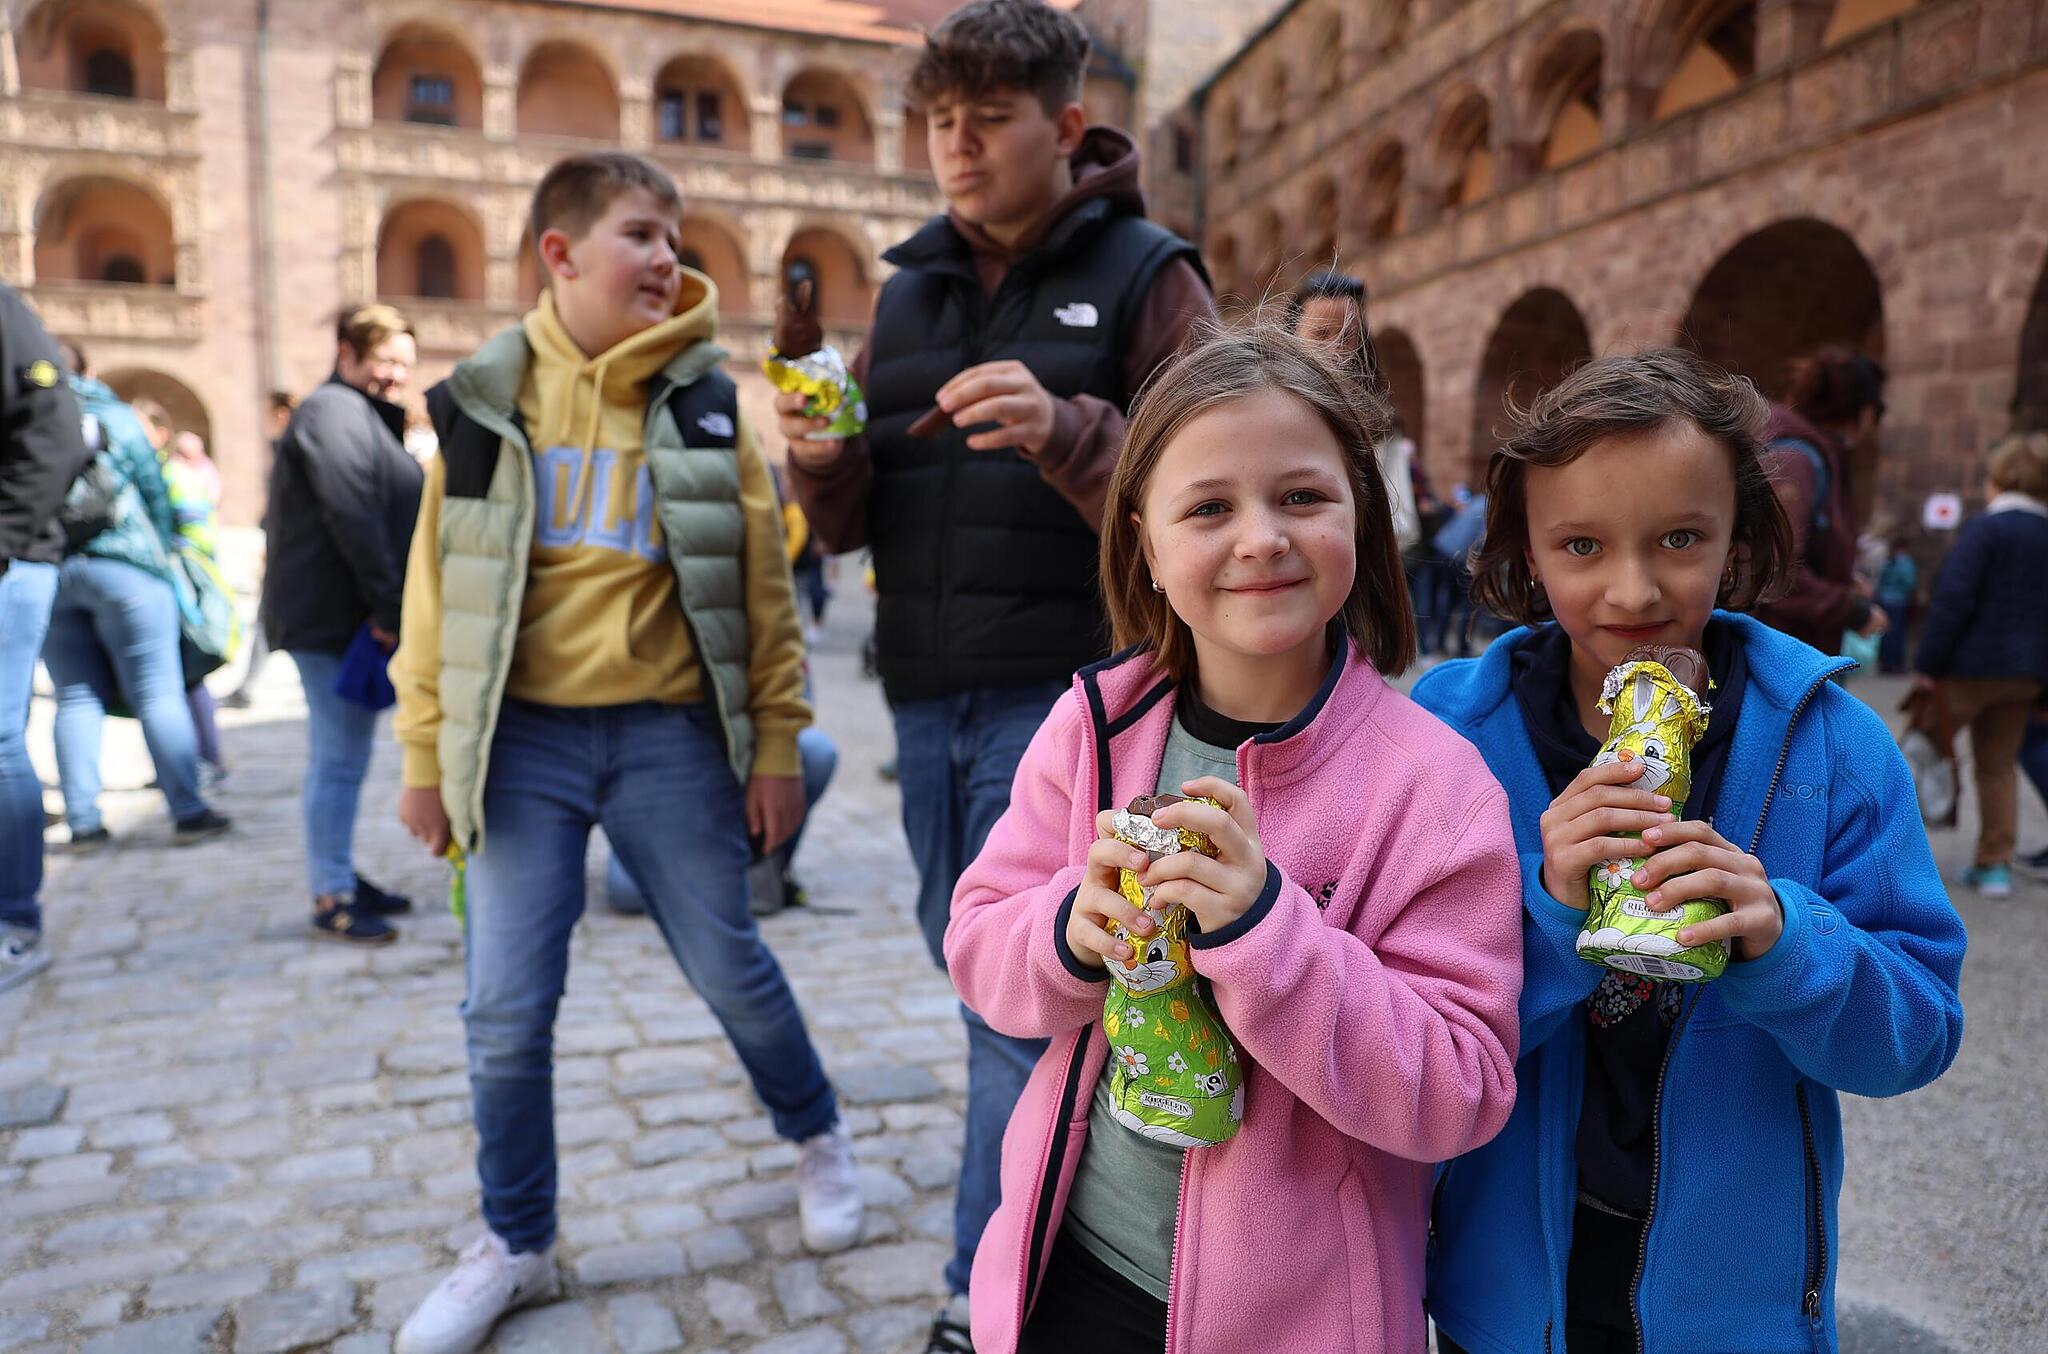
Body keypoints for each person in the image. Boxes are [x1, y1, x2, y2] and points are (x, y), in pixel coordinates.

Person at [943, 326, 1523, 1353]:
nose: (1260, 538)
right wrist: (1069, 930)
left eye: (1300, 496)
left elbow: (1460, 1089)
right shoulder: (1093, 728)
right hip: (1071, 1265)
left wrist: (1268, 937)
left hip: (1301, 1318)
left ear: (1361, 510)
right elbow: (979, 944)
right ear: (1145, 543)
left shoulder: (1432, 789)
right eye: (1209, 507)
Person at [779, 6, 1215, 1342]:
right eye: (937, 123)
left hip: (1077, 694)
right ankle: (1049, 1230)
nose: (955, 147)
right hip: (926, 687)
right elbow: (850, 519)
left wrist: (1071, 431)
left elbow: (1215, 470)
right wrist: (817, 458)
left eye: (986, 119)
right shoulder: (907, 290)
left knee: (1012, 1000)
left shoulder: (1148, 274)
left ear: (1065, 127)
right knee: (973, 957)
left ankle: (988, 1287)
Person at [389, 151, 859, 1354]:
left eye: (674, 238)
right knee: (503, 1007)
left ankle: (815, 1131)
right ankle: (515, 1240)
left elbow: (764, 592)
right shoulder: (481, 401)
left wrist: (775, 742)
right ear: (560, 252)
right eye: (641, 233)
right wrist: (425, 755)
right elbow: (435, 591)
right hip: (522, 744)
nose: (666, 257)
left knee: (729, 965)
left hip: (666, 734)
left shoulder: (704, 403)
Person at [1414, 348, 1967, 1354]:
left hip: (1735, 1310)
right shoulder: (1450, 742)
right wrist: (1546, 907)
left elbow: (1917, 1036)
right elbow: (1407, 1031)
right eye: (1581, 545)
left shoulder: (1834, 749)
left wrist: (1787, 944)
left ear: (1736, 539)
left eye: (1678, 538)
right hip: (1505, 1299)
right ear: (1525, 551)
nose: (1632, 590)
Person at [263, 305, 423, 943]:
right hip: (335, 619)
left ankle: (341, 872)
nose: (396, 375)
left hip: (346, 616)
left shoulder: (354, 413)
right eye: (385, 360)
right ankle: (331, 892)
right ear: (347, 354)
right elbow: (353, 513)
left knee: (346, 757)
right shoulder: (333, 413)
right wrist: (389, 609)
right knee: (338, 759)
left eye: (405, 364)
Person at [42, 347, 229, 849]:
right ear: (88, 371)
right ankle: (187, 811)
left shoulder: (28, 413)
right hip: (128, 566)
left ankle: (83, 822)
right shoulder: (113, 414)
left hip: (57, 570)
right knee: (157, 691)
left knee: (75, 697)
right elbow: (153, 487)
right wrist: (163, 550)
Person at [0, 284, 93, 994]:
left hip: (13, 563)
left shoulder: (5, 313)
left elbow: (54, 432)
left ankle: (15, 922)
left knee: (1, 740)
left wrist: (5, 538)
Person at [1912, 431, 2048, 898]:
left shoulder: (1987, 528)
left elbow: (1954, 599)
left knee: (1916, 751)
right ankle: (1994, 867)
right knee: (1998, 766)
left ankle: (1895, 859)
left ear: (2001, 478)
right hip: (2026, 674)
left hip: (1968, 668)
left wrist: (1929, 663)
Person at [1756, 345, 1892, 654]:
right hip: (1779, 653)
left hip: (1793, 648)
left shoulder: (1812, 457)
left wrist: (1842, 578)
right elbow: (1775, 569)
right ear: (1865, 412)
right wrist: (1851, 610)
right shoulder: (1797, 461)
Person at [1285, 270, 1420, 556]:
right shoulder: (1264, 407)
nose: (1335, 348)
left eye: (1347, 337)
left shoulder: (1377, 422)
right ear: (1292, 334)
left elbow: (1400, 522)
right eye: (1321, 334)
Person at [223, 391, 298, 710]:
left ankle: (247, 687)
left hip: (290, 551)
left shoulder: (293, 450)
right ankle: (248, 685)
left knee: (269, 619)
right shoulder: (287, 449)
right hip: (286, 547)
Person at [163, 429, 226, 785]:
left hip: (183, 578)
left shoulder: (176, 476)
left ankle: (204, 759)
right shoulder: (181, 474)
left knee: (188, 673)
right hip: (184, 574)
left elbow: (197, 530)